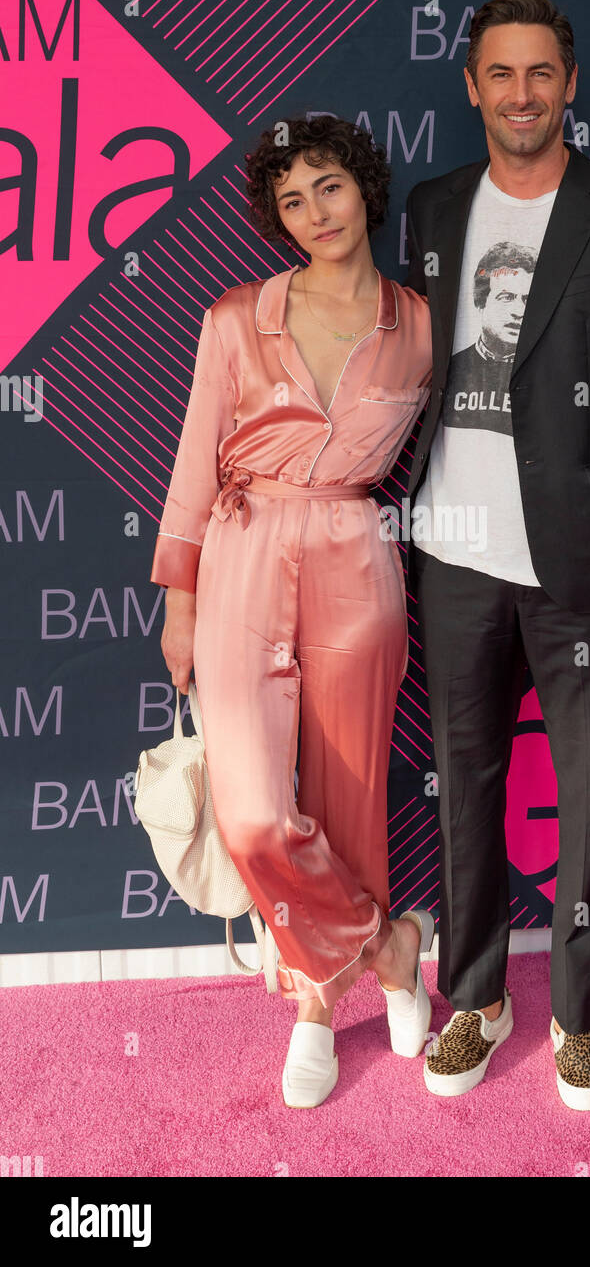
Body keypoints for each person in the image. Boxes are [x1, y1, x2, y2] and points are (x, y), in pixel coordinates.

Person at [404, 0, 590, 1108]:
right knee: (464, 789)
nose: (519, 92)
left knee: (587, 797)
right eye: (498, 73)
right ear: (470, 87)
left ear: (569, 84)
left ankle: (578, 1015)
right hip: (453, 551)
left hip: (583, 560)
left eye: (540, 73)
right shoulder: (433, 209)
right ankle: (475, 997)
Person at [151, 116, 435, 1109]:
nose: (316, 212)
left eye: (329, 187)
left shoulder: (419, 323)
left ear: (363, 189)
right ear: (276, 220)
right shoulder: (236, 315)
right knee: (257, 812)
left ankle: (316, 1003)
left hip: (357, 557)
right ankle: (391, 948)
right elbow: (194, 462)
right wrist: (180, 599)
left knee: (350, 795)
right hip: (242, 546)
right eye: (292, 200)